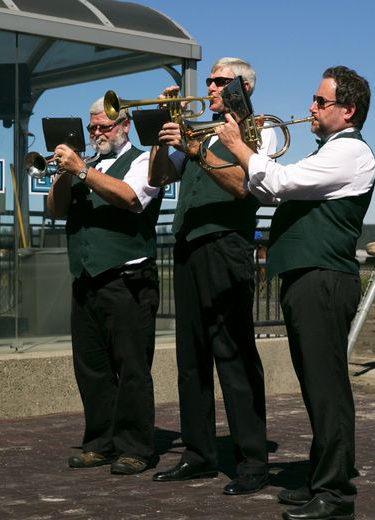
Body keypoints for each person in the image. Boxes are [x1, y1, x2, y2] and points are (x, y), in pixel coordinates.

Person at [215, 65, 375, 520]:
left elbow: (280, 182)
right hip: (308, 278)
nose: (311, 107)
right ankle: (321, 478)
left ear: (348, 110)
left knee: (327, 389)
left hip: (324, 278)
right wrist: (245, 150)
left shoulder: (350, 152)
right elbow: (269, 191)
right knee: (315, 387)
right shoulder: (326, 152)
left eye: (321, 102)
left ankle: (336, 493)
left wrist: (239, 146)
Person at [148, 57, 276, 496]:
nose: (210, 87)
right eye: (209, 80)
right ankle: (199, 453)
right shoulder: (200, 130)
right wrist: (163, 132)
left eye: (220, 81)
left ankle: (252, 460)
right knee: (191, 357)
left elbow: (243, 184)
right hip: (189, 246)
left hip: (226, 246)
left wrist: (194, 149)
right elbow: (159, 177)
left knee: (234, 354)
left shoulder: (260, 129)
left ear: (243, 86)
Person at [47, 97, 162, 475]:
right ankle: (100, 442)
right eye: (93, 127)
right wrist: (65, 172)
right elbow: (56, 209)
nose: (98, 133)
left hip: (127, 279)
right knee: (91, 368)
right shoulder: (87, 165)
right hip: (86, 279)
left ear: (125, 126)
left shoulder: (144, 160)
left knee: (131, 367)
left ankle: (135, 447)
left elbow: (131, 197)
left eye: (105, 127)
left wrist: (81, 169)